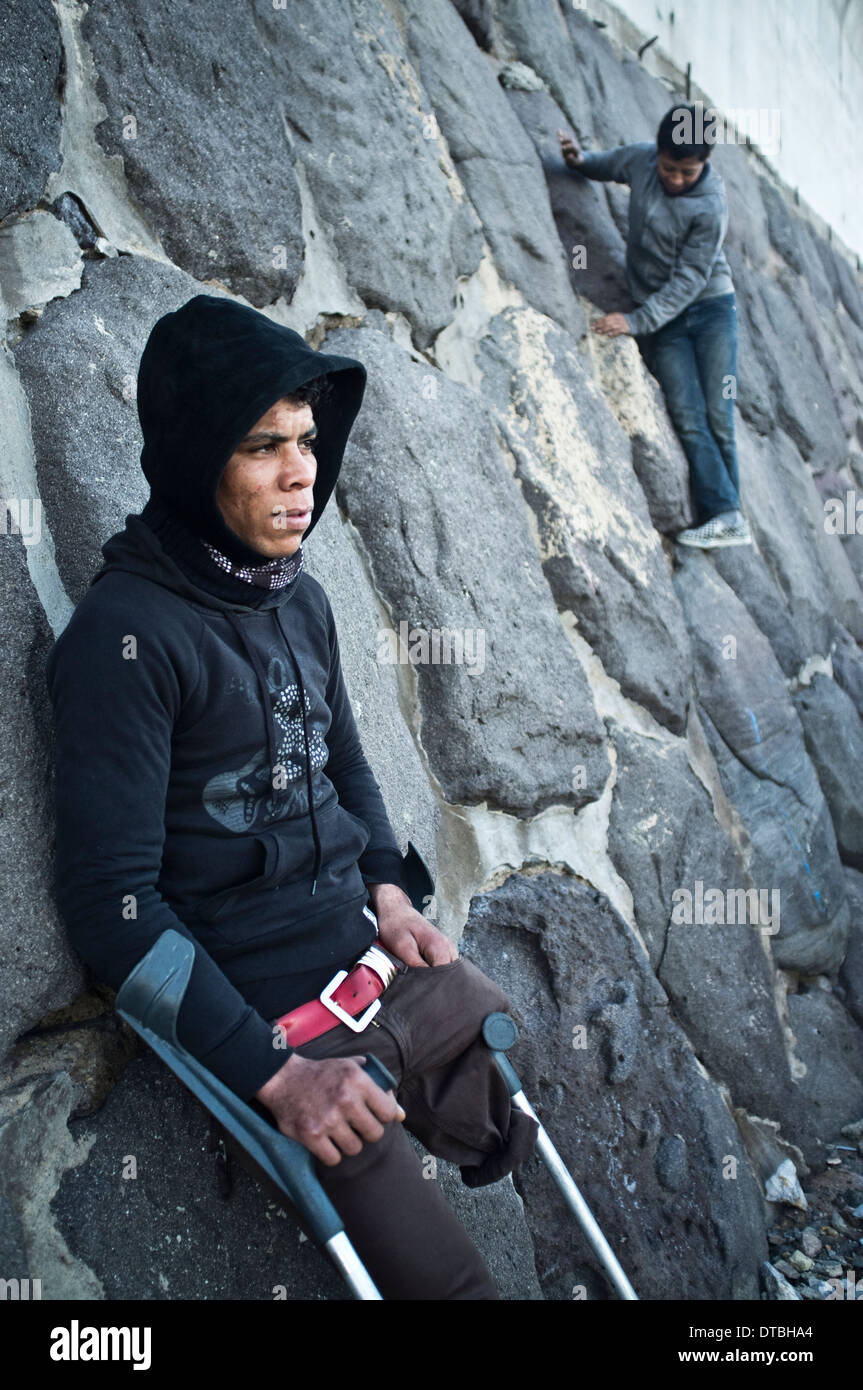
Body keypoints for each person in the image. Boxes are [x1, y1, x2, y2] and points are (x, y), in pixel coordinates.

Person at [45, 293, 537, 1300]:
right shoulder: (123, 636)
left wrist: (391, 896)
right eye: (261, 446)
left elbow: (343, 766)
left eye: (306, 441)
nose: (300, 471)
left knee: (507, 1106)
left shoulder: (296, 595)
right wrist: (278, 1077)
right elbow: (114, 907)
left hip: (365, 955)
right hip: (266, 1019)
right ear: (195, 458)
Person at [559, 103, 752, 550]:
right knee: (687, 415)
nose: (676, 178)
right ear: (659, 153)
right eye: (670, 168)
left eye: (688, 171)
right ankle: (726, 512)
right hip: (661, 316)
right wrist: (579, 160)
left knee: (719, 414)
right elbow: (607, 164)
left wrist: (635, 321)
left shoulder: (711, 204)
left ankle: (727, 514)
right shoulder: (643, 160)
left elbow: (690, 280)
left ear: (704, 163)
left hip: (709, 310)